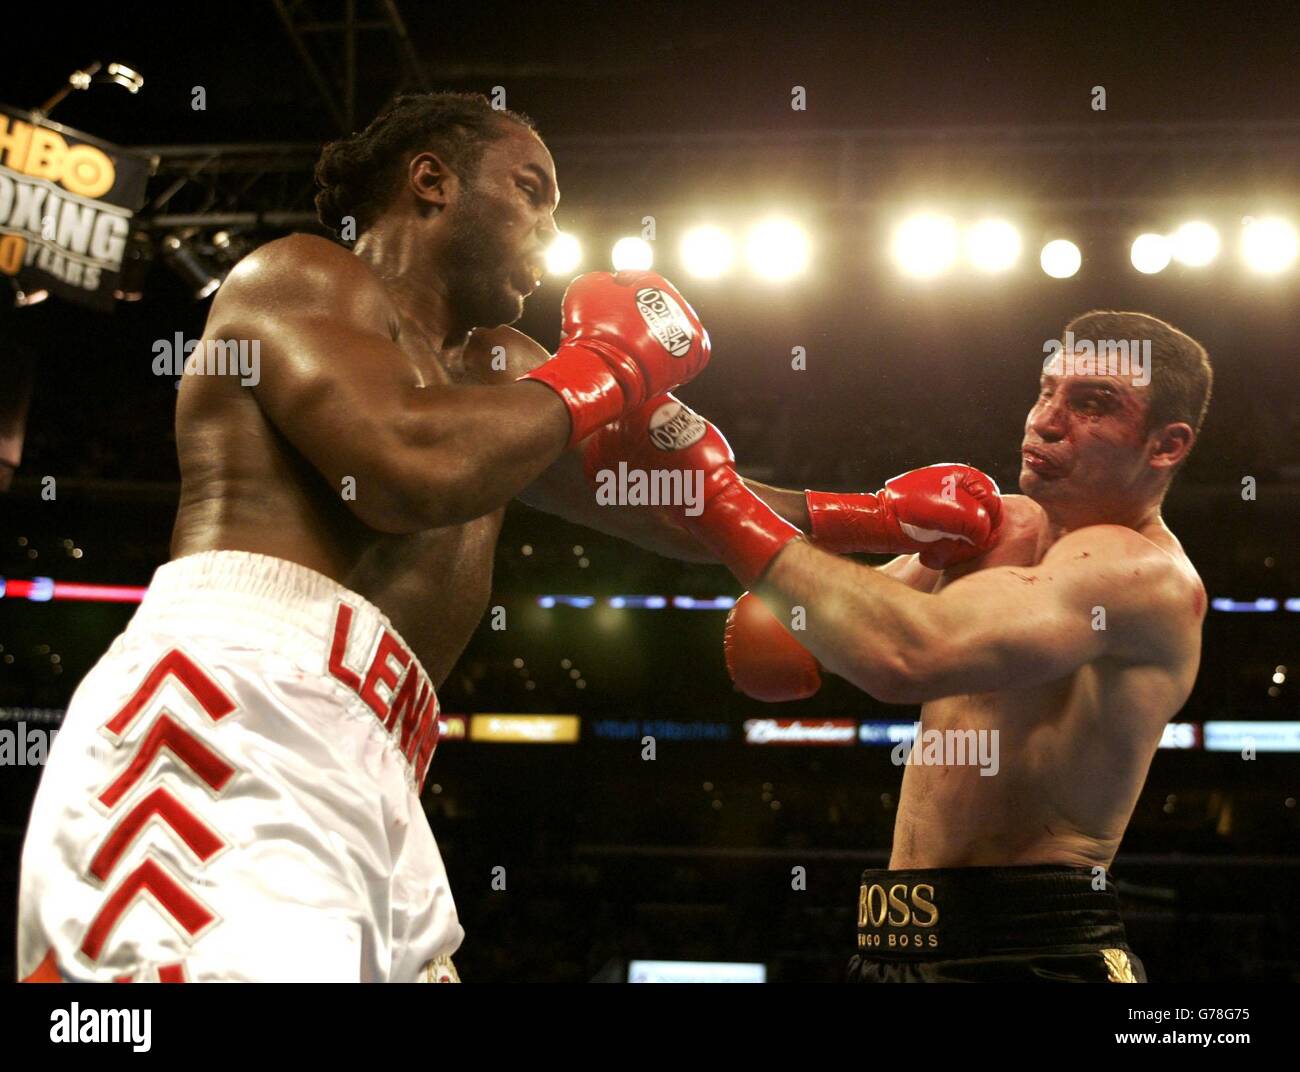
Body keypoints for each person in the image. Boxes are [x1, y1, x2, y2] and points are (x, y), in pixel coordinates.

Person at [18, 91, 718, 983]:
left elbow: (699, 506)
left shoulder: (501, 375)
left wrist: (882, 520)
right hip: (229, 713)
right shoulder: (300, 278)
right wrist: (612, 366)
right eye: (532, 190)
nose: (551, 226)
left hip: (381, 772)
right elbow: (401, 469)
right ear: (431, 181)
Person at [584, 311, 1212, 982]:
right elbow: (797, 635)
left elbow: (906, 652)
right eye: (1045, 389)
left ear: (1166, 446)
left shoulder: (1146, 577)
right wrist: (664, 442)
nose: (1045, 420)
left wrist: (714, 496)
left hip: (1033, 954)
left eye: (1092, 404)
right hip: (893, 943)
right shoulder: (1001, 526)